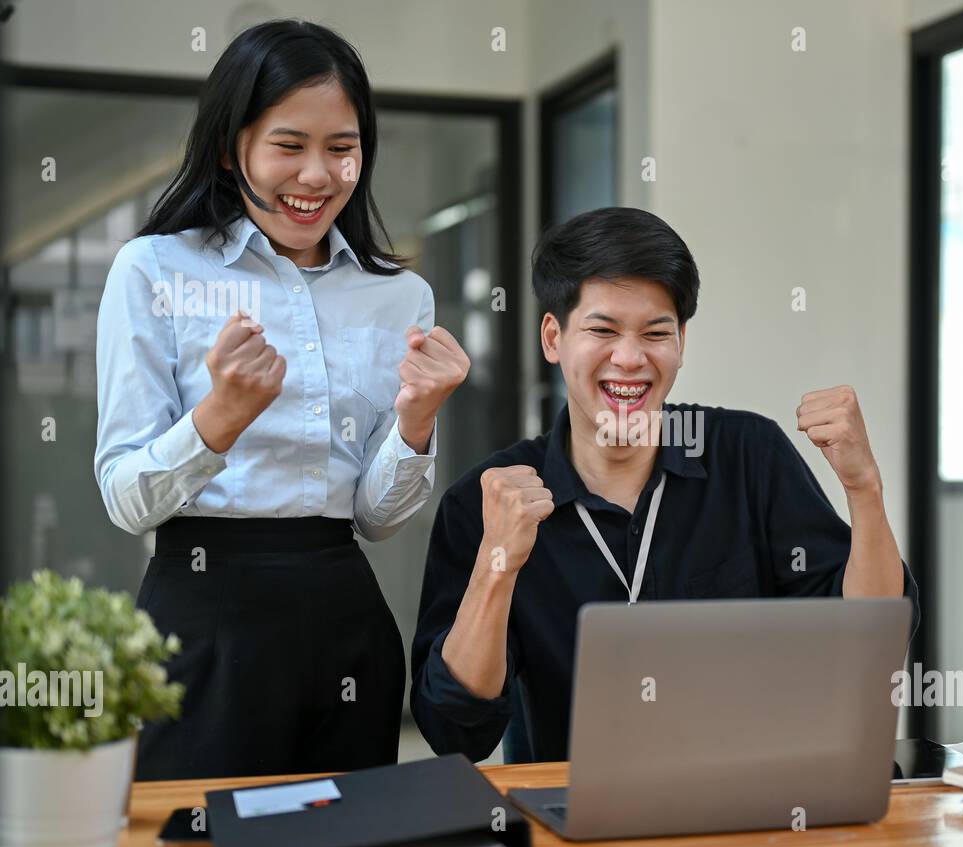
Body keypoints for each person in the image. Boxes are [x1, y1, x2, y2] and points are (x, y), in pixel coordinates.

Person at [93, 20, 469, 780]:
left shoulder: (400, 295)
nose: (318, 176)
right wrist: (218, 420)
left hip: (345, 615)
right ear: (234, 148)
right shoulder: (154, 270)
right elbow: (127, 501)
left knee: (350, 842)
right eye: (289, 146)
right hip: (202, 617)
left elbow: (374, 517)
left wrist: (418, 422)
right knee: (195, 842)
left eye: (342, 148)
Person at [411, 206, 917, 763]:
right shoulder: (485, 502)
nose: (629, 359)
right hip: (573, 814)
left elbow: (867, 642)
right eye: (602, 330)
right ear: (553, 338)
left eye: (656, 333)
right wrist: (497, 562)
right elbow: (457, 730)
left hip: (758, 799)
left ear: (680, 343)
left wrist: (864, 488)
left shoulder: (748, 455)